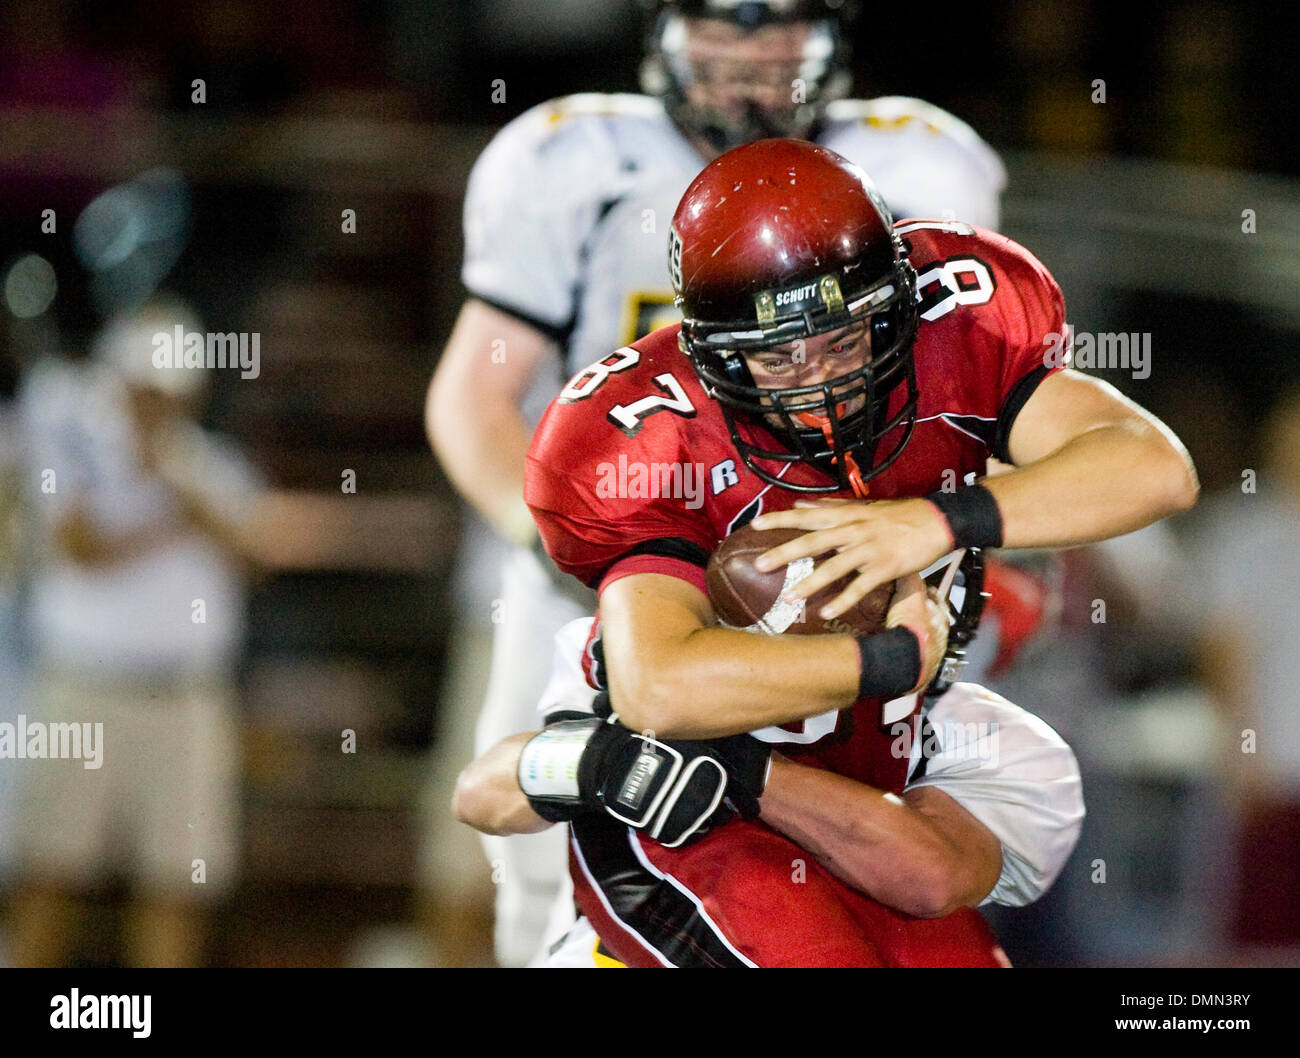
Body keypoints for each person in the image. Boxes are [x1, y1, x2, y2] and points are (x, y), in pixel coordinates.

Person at [459, 137, 1197, 967]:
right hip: (700, 813)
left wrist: (936, 523)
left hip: (866, 762)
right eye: (777, 358)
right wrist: (884, 658)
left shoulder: (990, 740)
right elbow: (644, 697)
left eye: (844, 343)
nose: (819, 382)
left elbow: (1157, 469)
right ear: (710, 351)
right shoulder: (646, 432)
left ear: (895, 308)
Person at [424, 0, 1006, 967]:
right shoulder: (575, 160)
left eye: (779, 27)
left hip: (829, 573)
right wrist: (568, 552)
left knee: (851, 852)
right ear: (664, 31)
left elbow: (969, 391)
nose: (750, 59)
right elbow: (470, 397)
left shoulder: (918, 165)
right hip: (613, 569)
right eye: (722, 27)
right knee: (541, 856)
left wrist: (951, 541)